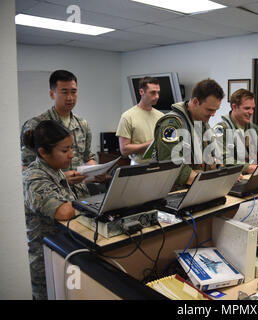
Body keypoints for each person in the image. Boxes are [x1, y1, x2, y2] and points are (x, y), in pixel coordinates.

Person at [22, 120, 79, 300]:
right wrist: (89, 205)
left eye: (71, 148)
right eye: (64, 150)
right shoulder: (34, 177)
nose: (71, 155)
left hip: (62, 251)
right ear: (43, 152)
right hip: (44, 261)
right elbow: (62, 212)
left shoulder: (54, 169)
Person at [20, 70, 99, 198]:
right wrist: (60, 178)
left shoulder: (82, 124)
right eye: (64, 92)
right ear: (52, 94)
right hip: (50, 196)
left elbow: (87, 157)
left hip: (81, 195)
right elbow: (26, 169)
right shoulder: (36, 125)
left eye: (73, 92)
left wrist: (95, 171)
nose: (70, 97)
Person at [154, 78, 224, 186]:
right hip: (176, 191)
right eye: (209, 110)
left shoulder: (202, 123)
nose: (213, 114)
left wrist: (224, 174)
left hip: (198, 188)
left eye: (216, 110)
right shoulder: (171, 125)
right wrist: (207, 182)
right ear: (196, 102)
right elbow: (172, 165)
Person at [213, 89, 258, 174]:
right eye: (247, 108)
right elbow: (224, 159)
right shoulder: (221, 129)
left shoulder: (254, 129)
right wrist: (248, 168)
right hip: (233, 179)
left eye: (253, 108)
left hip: (253, 177)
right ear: (234, 107)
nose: (251, 112)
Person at [116, 77, 164, 165]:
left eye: (158, 92)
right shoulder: (127, 116)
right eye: (153, 93)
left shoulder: (161, 116)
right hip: (139, 165)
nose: (157, 96)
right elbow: (124, 150)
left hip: (159, 163)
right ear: (141, 92)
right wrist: (150, 144)